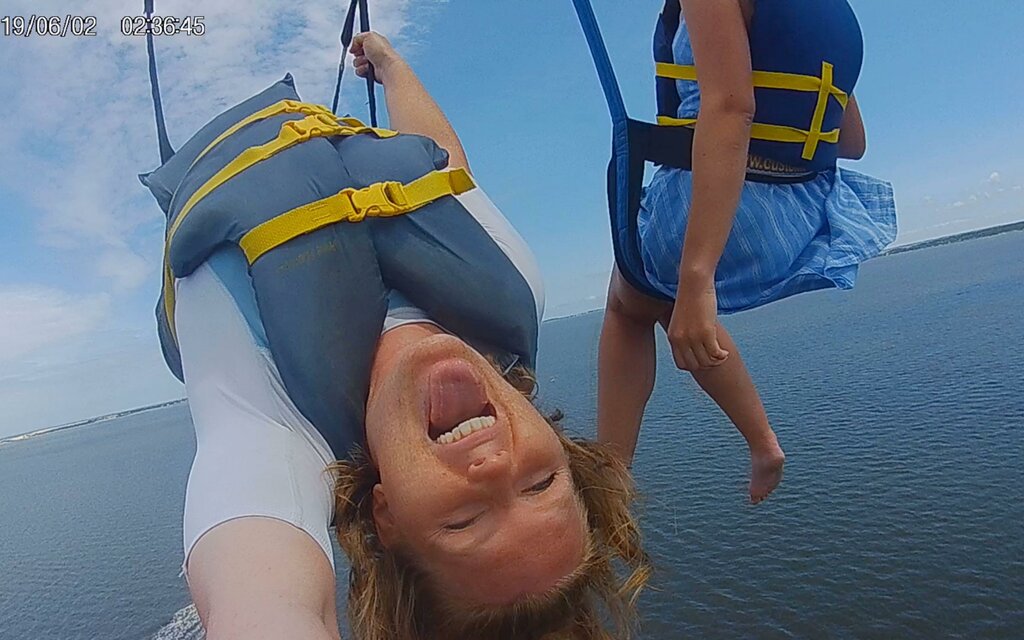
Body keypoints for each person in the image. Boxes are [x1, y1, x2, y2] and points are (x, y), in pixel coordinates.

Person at [145, 33, 649, 640]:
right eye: (541, 483)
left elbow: (266, 608)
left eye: (464, 521)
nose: (495, 465)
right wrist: (392, 67)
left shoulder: (270, 430)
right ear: (563, 450)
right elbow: (441, 164)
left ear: (386, 517)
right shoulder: (513, 289)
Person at [597, 0, 896, 503]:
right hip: (807, 212)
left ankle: (609, 476)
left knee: (629, 303)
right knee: (665, 298)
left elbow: (731, 107)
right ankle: (763, 444)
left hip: (729, 207)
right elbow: (852, 142)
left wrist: (698, 278)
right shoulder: (831, 12)